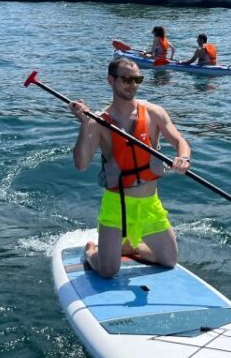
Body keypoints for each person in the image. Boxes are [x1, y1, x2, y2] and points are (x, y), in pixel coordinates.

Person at [68, 57, 191, 278]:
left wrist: (183, 158)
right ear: (111, 80)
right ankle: (91, 251)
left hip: (150, 205)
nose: (132, 84)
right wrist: (84, 125)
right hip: (117, 206)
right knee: (108, 271)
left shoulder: (154, 112)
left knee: (169, 261)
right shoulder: (98, 121)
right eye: (126, 79)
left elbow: (180, 142)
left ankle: (129, 246)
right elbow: (80, 164)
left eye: (137, 79)